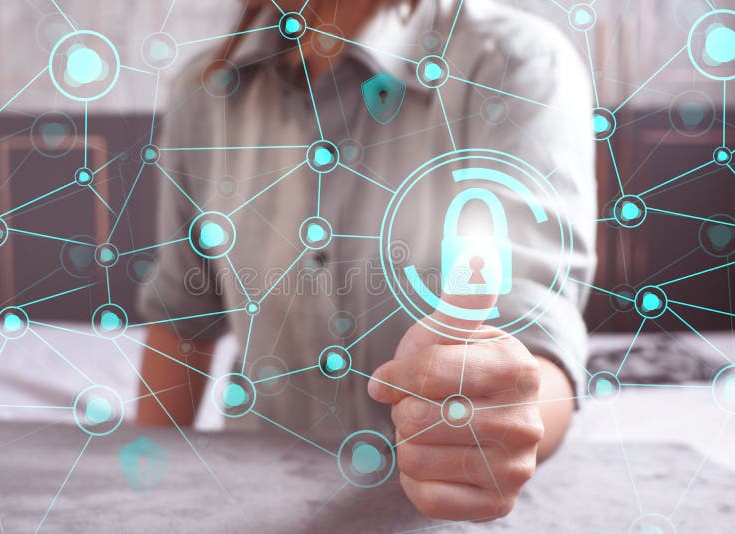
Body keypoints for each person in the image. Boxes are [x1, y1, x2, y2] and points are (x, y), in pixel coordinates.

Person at [137, 0, 596, 522]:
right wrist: (140, 501)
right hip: (252, 507)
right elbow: (181, 321)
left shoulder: (516, 64)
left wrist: (497, 421)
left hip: (440, 517)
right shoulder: (204, 93)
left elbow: (537, 340)